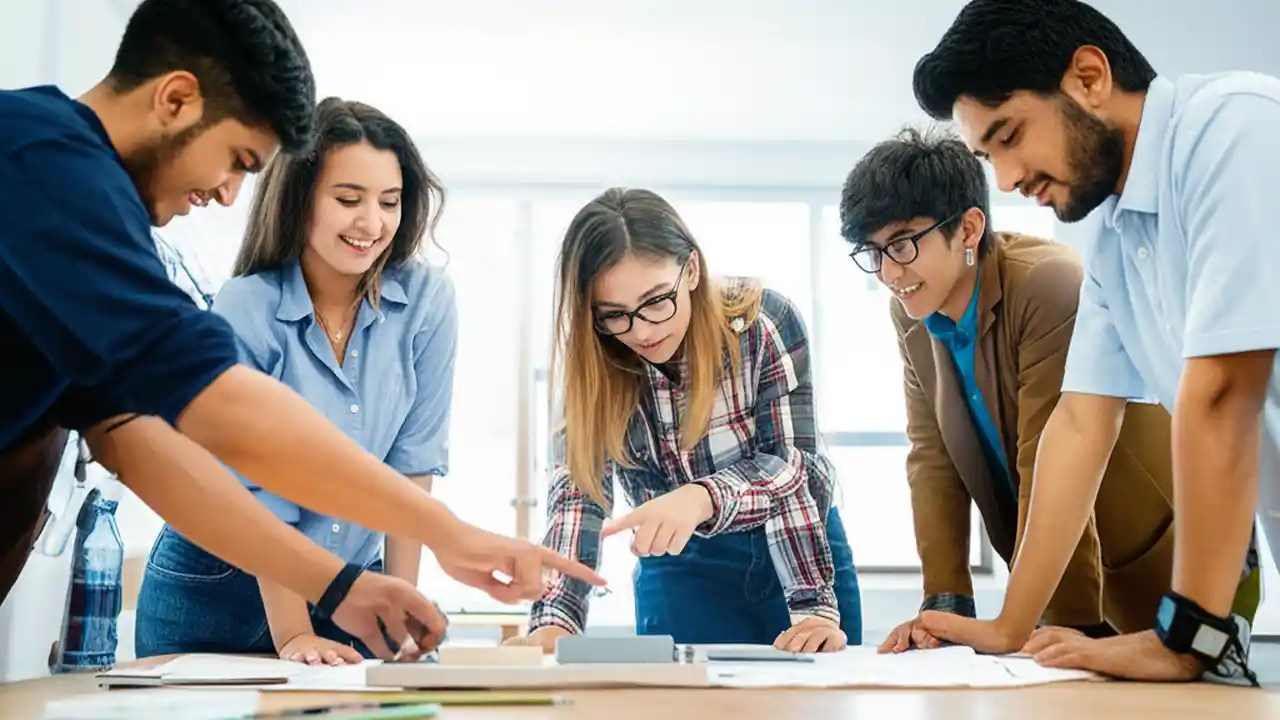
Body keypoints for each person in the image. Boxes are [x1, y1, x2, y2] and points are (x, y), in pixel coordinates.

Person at [0, 0, 602, 660]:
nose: (228, 194)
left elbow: (133, 439)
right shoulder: (44, 161)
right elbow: (223, 415)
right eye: (236, 159)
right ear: (175, 99)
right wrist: (445, 531)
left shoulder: (85, 206)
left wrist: (340, 584)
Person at [908, 0, 1279, 684]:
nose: (1010, 179)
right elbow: (1079, 423)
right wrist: (1012, 626)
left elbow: (1224, 390)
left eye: (1010, 135)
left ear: (1088, 76)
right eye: (989, 157)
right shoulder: (1111, 234)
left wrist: (1185, 636)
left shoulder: (1236, 129)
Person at [837, 128, 1258, 655]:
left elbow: (1053, 456)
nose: (889, 273)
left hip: (1173, 568)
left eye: (901, 245)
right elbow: (932, 458)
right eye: (872, 252)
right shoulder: (912, 311)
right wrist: (945, 606)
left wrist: (1068, 626)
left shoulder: (1047, 284)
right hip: (1059, 581)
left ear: (968, 228)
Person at [136, 98, 456, 664]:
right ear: (300, 198)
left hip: (350, 590)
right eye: (348, 199)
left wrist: (402, 618)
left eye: (390, 201)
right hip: (218, 584)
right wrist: (291, 632)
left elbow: (412, 466)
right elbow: (256, 483)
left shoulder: (427, 304)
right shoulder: (246, 306)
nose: (372, 223)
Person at [504, 188, 861, 654]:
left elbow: (792, 465)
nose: (643, 331)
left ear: (691, 269)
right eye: (614, 315)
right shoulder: (592, 364)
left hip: (799, 544)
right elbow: (579, 496)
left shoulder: (763, 322)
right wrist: (556, 622)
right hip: (680, 566)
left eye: (656, 300)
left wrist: (702, 498)